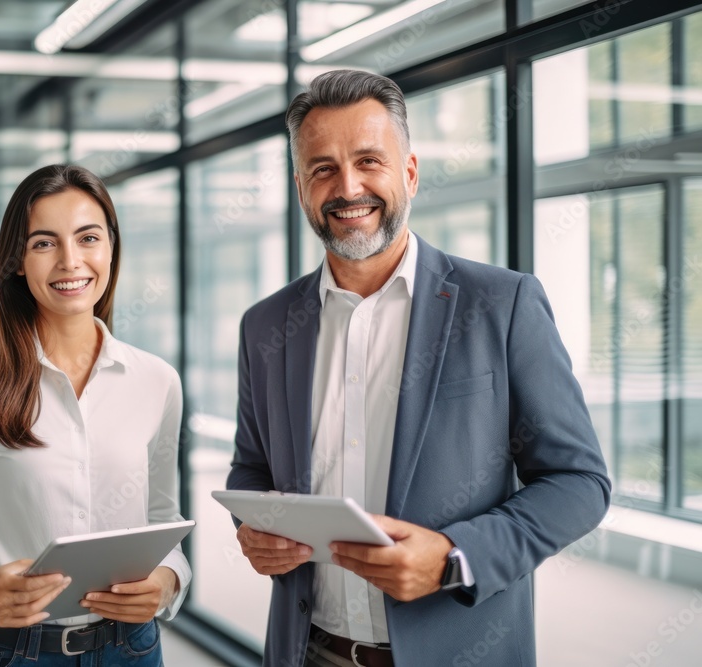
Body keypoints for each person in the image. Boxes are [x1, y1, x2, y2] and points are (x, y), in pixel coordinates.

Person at [227, 69, 610, 667]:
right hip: (307, 652)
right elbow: (252, 467)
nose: (347, 186)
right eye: (323, 168)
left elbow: (579, 482)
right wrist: (255, 532)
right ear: (303, 188)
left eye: (369, 161)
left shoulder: (501, 305)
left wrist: (457, 556)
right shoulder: (266, 326)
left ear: (409, 172)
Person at [0, 164, 191, 666]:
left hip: (131, 649)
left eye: (88, 238)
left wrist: (168, 580)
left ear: (110, 248)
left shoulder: (157, 380)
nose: (71, 261)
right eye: (44, 243)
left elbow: (163, 521)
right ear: (18, 261)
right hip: (10, 652)